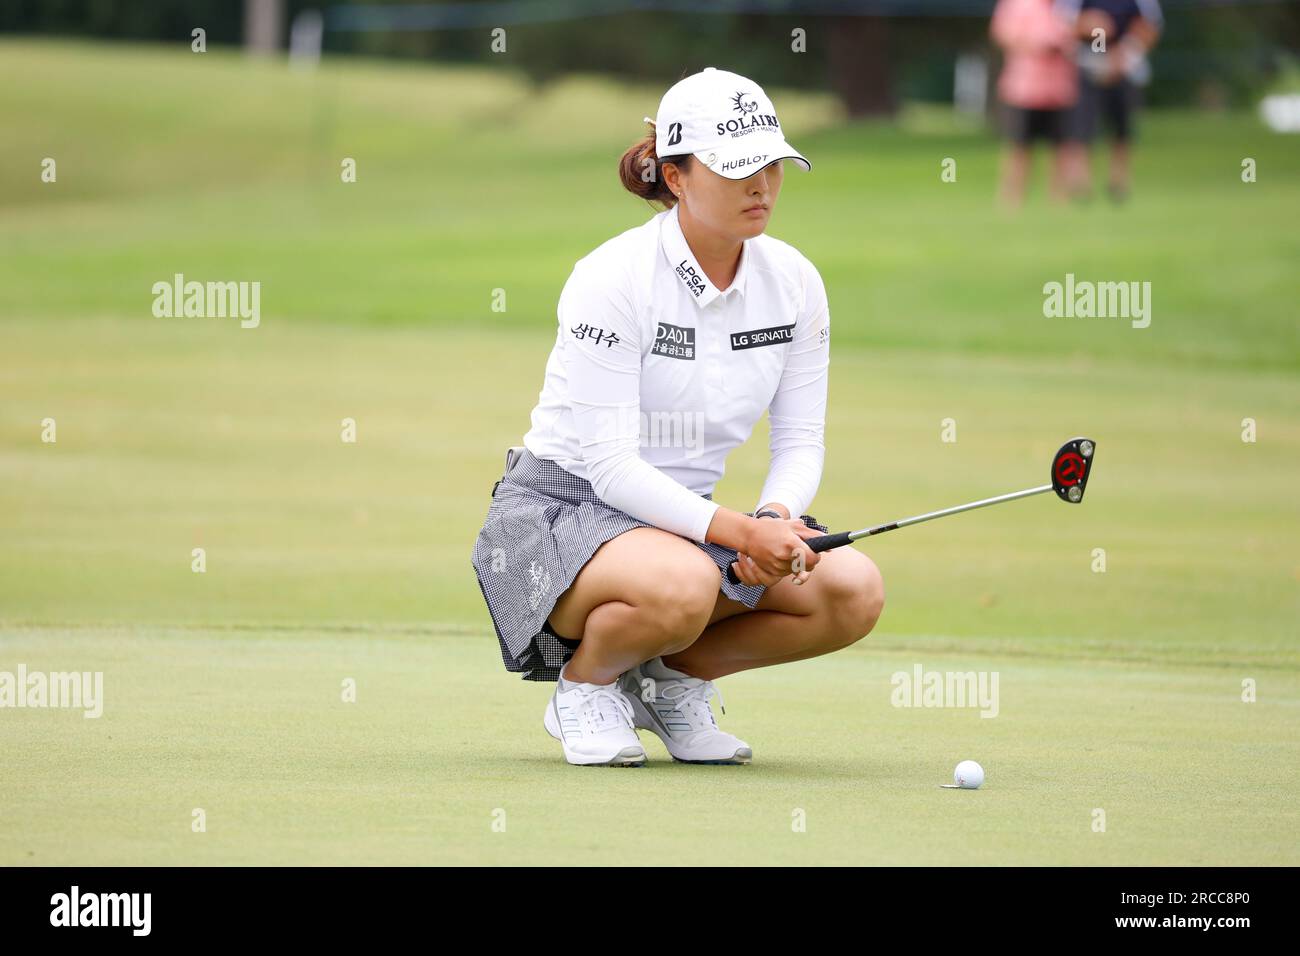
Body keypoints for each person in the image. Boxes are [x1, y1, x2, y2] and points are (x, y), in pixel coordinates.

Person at [471, 67, 884, 767]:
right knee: (686, 583)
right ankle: (585, 685)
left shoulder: (794, 282)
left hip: (681, 523)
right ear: (676, 174)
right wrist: (740, 533)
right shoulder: (614, 277)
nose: (762, 186)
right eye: (737, 168)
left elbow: (800, 437)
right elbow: (609, 465)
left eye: (772, 166)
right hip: (559, 513)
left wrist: (778, 516)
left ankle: (668, 683)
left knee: (851, 590)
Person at [1061, 0, 1164, 201]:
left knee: (1122, 126)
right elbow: (1063, 21)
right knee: (1083, 124)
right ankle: (1081, 183)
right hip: (1087, 63)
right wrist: (1089, 25)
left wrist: (1124, 54)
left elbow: (1150, 25)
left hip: (1125, 65)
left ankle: (1118, 182)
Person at [990, 0, 1082, 205]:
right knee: (1019, 147)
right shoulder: (1017, 4)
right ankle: (1011, 199)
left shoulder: (1070, 5)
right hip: (1023, 88)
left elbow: (1089, 35)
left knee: (1061, 147)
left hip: (1061, 89)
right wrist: (1037, 45)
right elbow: (1003, 34)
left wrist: (1067, 42)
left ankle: (1059, 200)